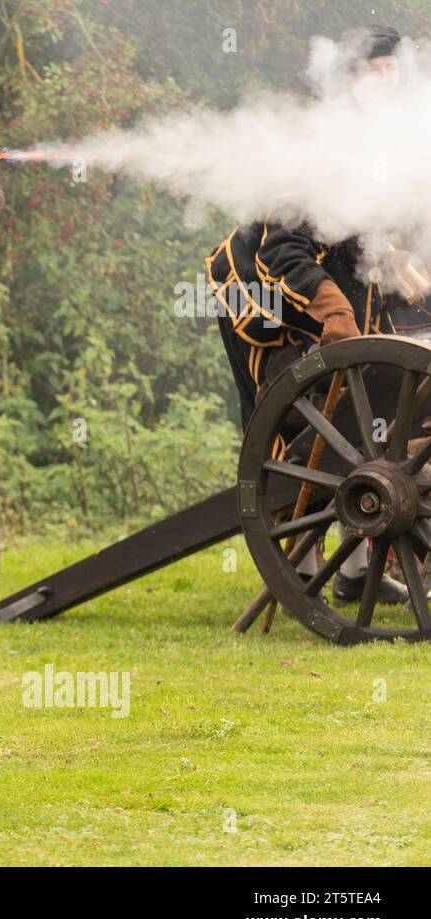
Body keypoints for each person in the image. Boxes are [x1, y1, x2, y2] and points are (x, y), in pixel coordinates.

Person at [207, 24, 410, 605]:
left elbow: (352, 236)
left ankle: (351, 570)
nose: (389, 86)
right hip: (265, 300)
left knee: (364, 417)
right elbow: (280, 247)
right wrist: (333, 309)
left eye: (395, 74)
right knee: (292, 424)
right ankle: (301, 562)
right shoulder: (310, 139)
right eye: (378, 74)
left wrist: (395, 261)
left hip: (327, 288)